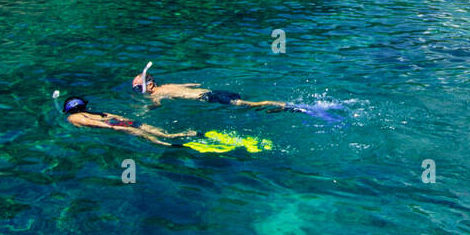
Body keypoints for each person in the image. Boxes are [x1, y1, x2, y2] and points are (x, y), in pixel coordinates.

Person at [132, 65, 303, 112]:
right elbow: (190, 85)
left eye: (138, 89)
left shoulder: (157, 93)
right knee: (245, 104)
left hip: (208, 98)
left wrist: (145, 109)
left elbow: (157, 104)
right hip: (210, 92)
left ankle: (280, 105)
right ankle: (277, 105)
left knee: (250, 104)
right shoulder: (168, 86)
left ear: (150, 85)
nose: (137, 92)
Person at [62, 96, 195, 146]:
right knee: (162, 132)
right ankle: (180, 134)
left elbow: (91, 123)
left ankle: (165, 143)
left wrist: (113, 128)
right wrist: (128, 122)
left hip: (111, 125)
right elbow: (116, 117)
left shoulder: (73, 117)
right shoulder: (93, 113)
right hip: (119, 121)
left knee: (148, 137)